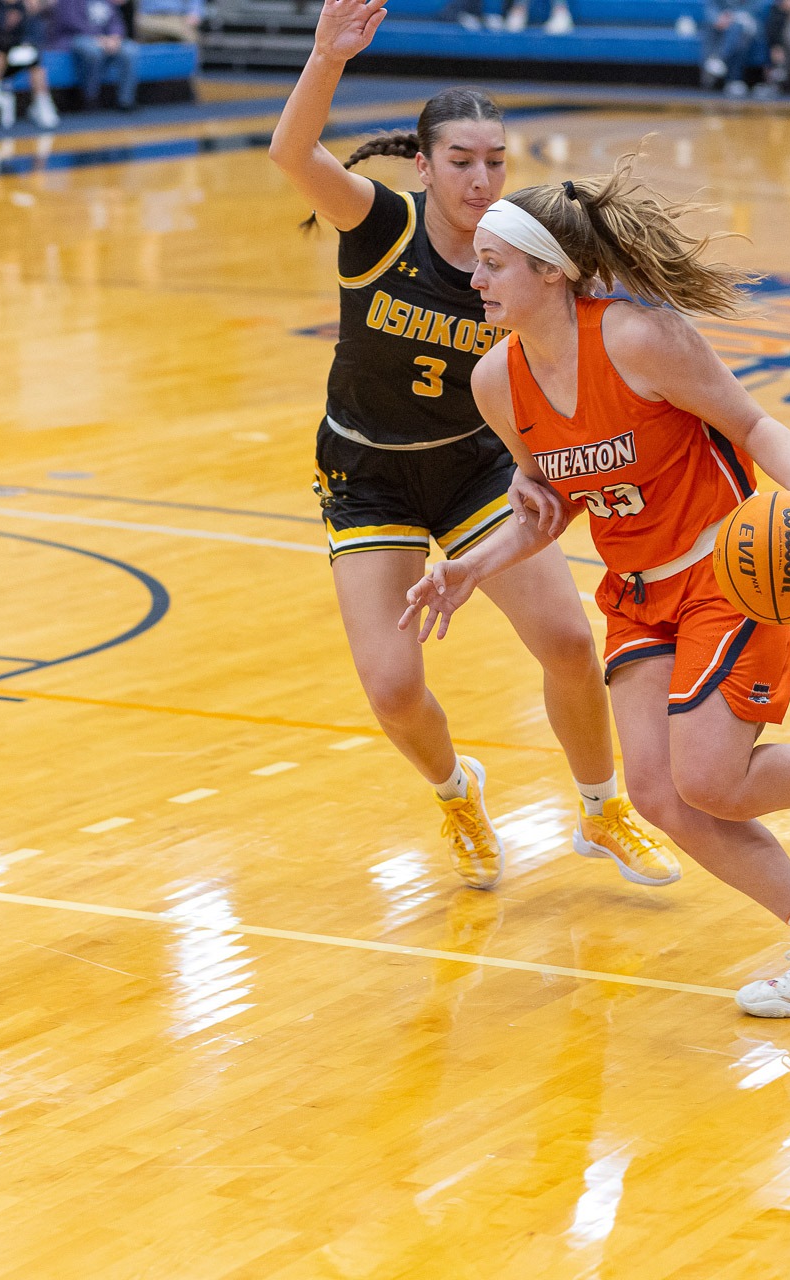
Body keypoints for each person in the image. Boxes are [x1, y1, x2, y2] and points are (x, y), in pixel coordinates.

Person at [400, 158, 790, 1017]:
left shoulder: (638, 338)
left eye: (495, 262)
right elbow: (548, 511)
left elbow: (751, 422)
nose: (475, 276)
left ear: (550, 271)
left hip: (727, 569)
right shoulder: (497, 383)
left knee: (711, 778)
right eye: (476, 261)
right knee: (658, 794)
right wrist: (466, 570)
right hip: (635, 589)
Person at [267, 0, 676, 893]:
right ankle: (457, 793)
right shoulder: (381, 225)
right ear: (424, 165)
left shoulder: (525, 252)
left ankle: (602, 811)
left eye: (496, 161)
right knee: (392, 689)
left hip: (476, 465)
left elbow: (583, 347)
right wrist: (326, 56)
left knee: (570, 643)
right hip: (367, 474)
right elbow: (291, 155)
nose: (483, 179)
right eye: (461, 161)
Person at [0, 0, 57, 129]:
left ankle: (41, 102)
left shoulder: (22, 7)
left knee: (34, 57)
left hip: (11, 56)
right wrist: (5, 20)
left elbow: (31, 34)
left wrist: (27, 17)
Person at [47, 0, 137, 111]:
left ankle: (126, 101)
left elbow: (115, 21)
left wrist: (115, 37)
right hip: (73, 38)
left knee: (130, 50)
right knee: (92, 51)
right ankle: (90, 98)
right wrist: (98, 38)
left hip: (105, 40)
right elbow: (71, 22)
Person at [701, 0, 759, 96]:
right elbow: (710, 8)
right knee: (712, 28)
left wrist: (733, 17)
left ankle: (718, 60)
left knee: (738, 30)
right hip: (722, 26)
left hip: (745, 27)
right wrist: (718, 19)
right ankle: (731, 77)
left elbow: (754, 10)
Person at [134, 0, 199, 42]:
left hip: (176, 17)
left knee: (191, 39)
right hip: (149, 18)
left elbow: (195, 5)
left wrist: (194, 12)